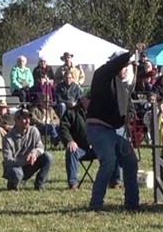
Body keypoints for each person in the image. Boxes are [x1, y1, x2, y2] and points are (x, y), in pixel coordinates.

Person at [84, 52, 140, 211]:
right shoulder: (102, 75)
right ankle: (96, 204)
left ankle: (132, 203)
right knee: (108, 161)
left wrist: (130, 114)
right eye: (124, 66)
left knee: (131, 162)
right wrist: (130, 54)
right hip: (98, 128)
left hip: (113, 131)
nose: (126, 69)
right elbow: (113, 66)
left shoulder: (123, 86)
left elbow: (129, 107)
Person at [1, 107, 52, 190]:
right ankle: (12, 185)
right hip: (15, 167)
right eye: (24, 118)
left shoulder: (34, 131)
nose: (28, 121)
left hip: (31, 164)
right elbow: (8, 160)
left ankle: (40, 184)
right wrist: (25, 161)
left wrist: (34, 153)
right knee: (16, 173)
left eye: (28, 118)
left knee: (48, 157)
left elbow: (40, 147)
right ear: (16, 120)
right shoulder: (8, 138)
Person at [59, 92, 92, 191]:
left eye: (93, 99)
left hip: (96, 147)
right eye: (89, 98)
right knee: (72, 150)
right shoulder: (71, 112)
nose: (91, 101)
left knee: (113, 148)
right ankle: (73, 183)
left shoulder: (98, 113)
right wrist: (69, 141)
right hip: (79, 148)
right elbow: (63, 128)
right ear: (83, 99)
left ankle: (115, 181)